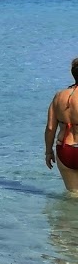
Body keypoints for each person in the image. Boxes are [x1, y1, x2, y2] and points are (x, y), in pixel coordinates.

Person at [45, 56, 78, 194]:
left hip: (65, 150)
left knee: (73, 195)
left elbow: (50, 128)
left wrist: (48, 152)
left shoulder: (59, 96)